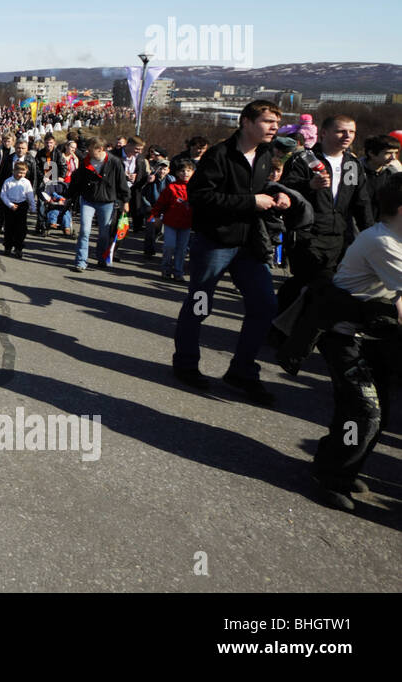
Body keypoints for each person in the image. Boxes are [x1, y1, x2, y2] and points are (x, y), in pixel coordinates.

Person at [171, 100, 287, 403]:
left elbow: (259, 191)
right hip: (215, 242)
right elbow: (199, 197)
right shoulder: (219, 155)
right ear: (246, 122)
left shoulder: (265, 154)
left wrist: (277, 196)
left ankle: (242, 372)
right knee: (200, 304)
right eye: (267, 121)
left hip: (249, 244)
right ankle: (185, 364)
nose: (274, 127)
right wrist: (252, 202)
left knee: (265, 305)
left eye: (277, 122)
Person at [304, 176, 402, 511]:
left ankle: (334, 458)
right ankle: (331, 476)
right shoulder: (384, 242)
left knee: (373, 413)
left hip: (372, 336)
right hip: (343, 336)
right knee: (365, 412)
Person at [276, 114, 374, 312]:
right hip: (308, 234)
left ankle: (303, 328)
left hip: (339, 236)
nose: (347, 136)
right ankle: (282, 326)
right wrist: (309, 185)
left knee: (328, 284)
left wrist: (371, 235)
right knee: (310, 281)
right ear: (323, 133)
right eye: (341, 131)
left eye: (352, 132)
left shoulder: (351, 165)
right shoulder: (305, 159)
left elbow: (361, 203)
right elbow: (285, 189)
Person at [68, 137, 129, 272]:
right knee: (84, 230)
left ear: (100, 149)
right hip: (88, 200)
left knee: (104, 233)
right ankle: (81, 261)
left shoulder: (114, 162)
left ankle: (101, 257)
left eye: (91, 150)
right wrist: (69, 196)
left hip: (107, 201)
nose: (88, 153)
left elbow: (121, 182)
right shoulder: (85, 161)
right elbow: (77, 180)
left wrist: (125, 200)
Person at [149, 157, 194, 281]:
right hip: (171, 222)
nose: (185, 173)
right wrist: (156, 216)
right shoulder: (171, 187)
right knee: (169, 246)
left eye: (188, 171)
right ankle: (166, 268)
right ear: (177, 173)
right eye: (182, 171)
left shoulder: (195, 188)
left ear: (193, 172)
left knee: (182, 249)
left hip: (186, 224)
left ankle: (178, 272)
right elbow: (160, 203)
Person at [0, 159, 37, 259]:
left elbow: (30, 195)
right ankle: (8, 246)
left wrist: (33, 207)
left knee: (21, 229)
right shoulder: (8, 181)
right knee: (9, 227)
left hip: (22, 206)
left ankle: (18, 248)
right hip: (10, 206)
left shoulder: (26, 182)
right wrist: (10, 204)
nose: (21, 175)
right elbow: (3, 195)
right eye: (19, 172)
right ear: (14, 171)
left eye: (23, 173)